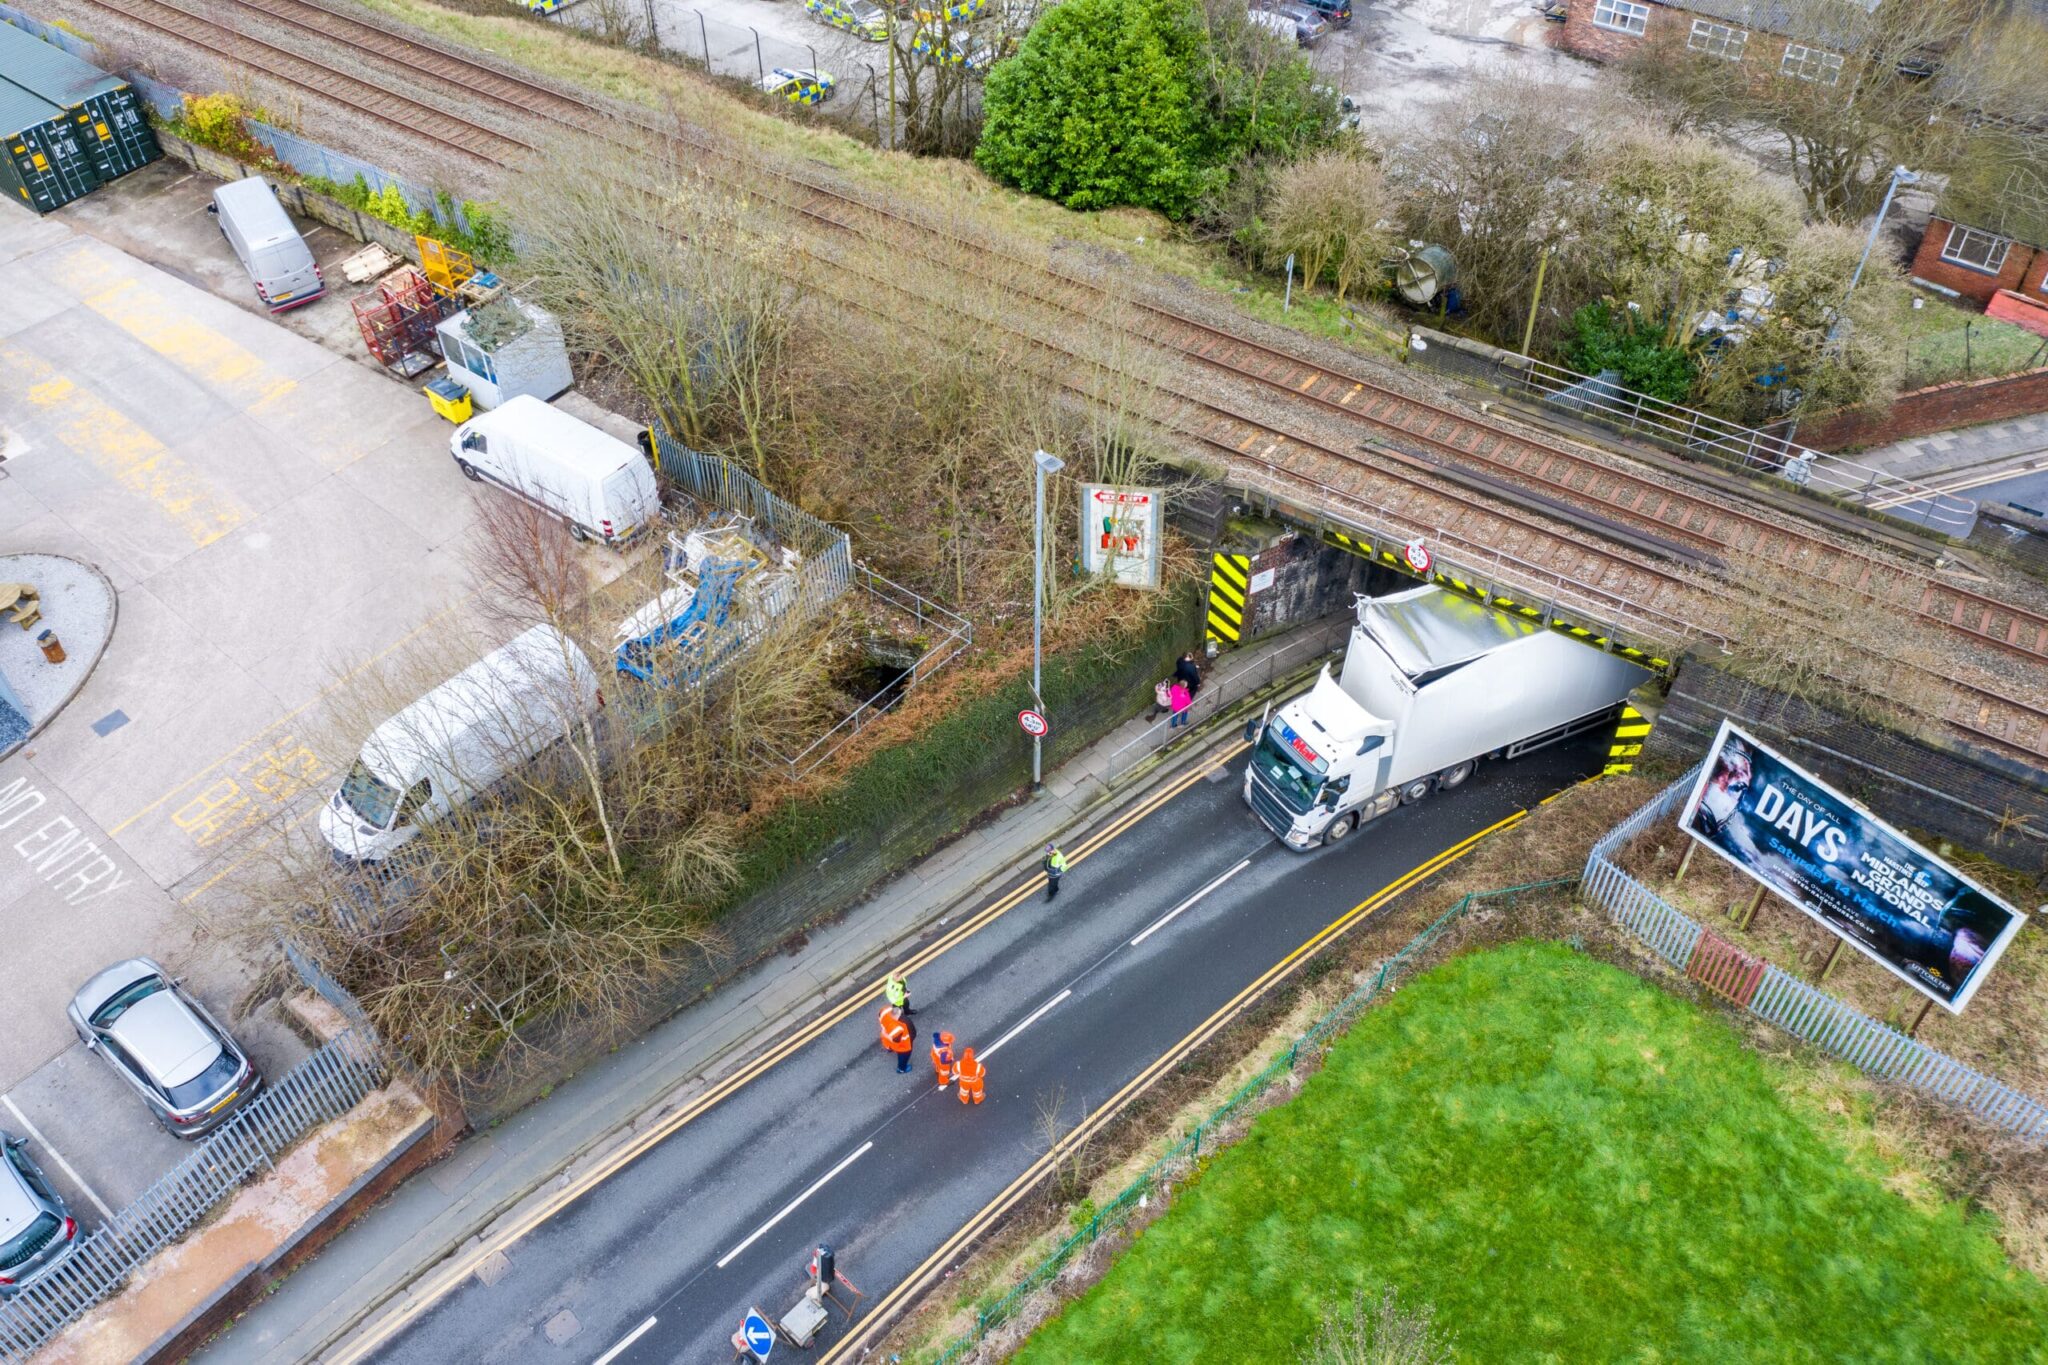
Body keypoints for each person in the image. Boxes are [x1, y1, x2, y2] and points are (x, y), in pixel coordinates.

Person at [879, 1005, 914, 1073]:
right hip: (902, 1046)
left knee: (887, 1043)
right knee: (903, 1056)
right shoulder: (898, 1028)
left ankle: (889, 1048)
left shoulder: (885, 1010)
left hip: (887, 1037)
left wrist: (884, 1033)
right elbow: (896, 1040)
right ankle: (901, 1069)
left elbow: (880, 1016)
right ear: (896, 1016)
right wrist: (885, 1035)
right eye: (900, 1015)